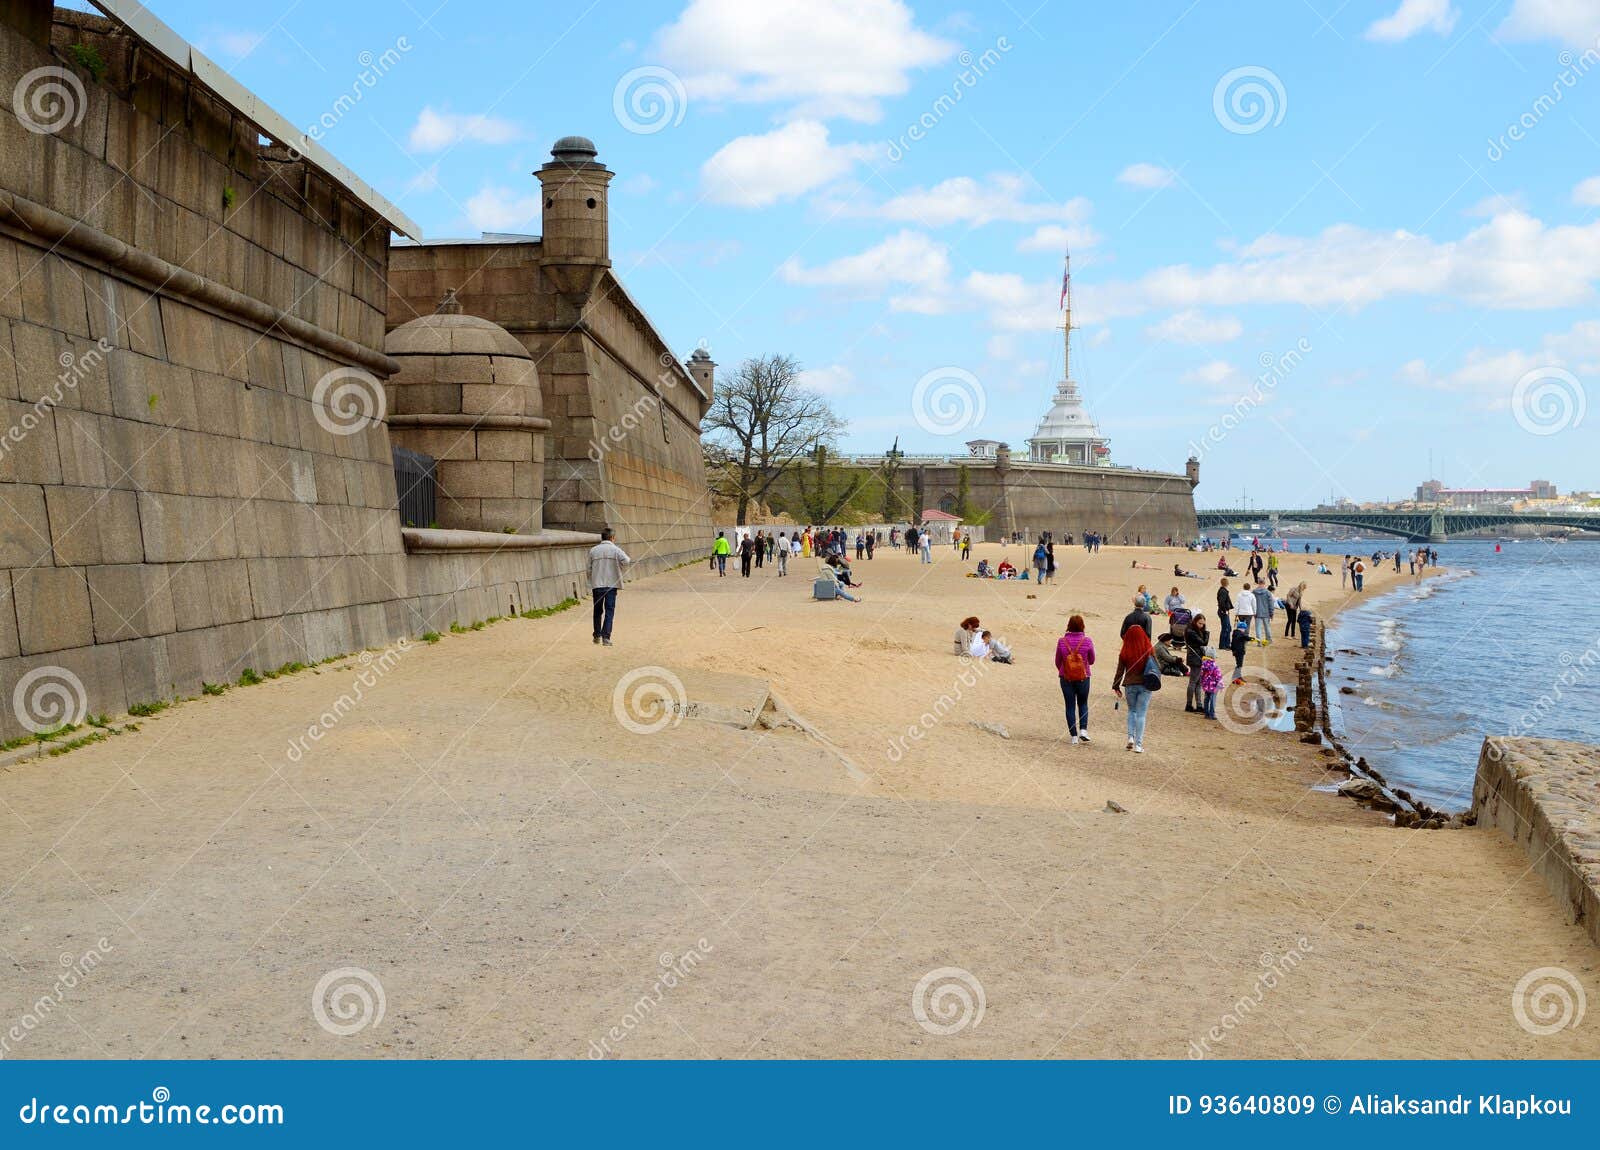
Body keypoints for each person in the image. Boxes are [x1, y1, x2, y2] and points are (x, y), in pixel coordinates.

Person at [1110, 623, 1155, 753]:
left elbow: (1119, 671)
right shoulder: (1149, 649)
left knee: (1132, 711)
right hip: (1145, 684)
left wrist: (1116, 686)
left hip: (1130, 684)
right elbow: (1156, 667)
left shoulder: (1125, 651)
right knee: (1141, 714)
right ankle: (1139, 744)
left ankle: (1130, 737)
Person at [588, 527, 631, 647]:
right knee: (609, 610)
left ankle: (596, 635)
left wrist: (591, 581)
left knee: (597, 611)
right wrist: (619, 567)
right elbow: (627, 561)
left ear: (602, 537)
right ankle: (606, 637)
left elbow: (588, 569)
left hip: (597, 584)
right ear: (612, 538)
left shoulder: (593, 550)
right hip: (611, 584)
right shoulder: (616, 550)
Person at [1055, 615, 1095, 743]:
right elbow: (1092, 660)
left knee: (1070, 706)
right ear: (1082, 626)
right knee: (1083, 703)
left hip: (1066, 678)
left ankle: (1073, 736)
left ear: (1069, 625)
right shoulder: (1087, 641)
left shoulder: (1062, 641)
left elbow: (1057, 661)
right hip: (1084, 677)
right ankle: (1083, 730)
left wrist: (1065, 670)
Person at [1184, 612, 1209, 713]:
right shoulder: (1191, 631)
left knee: (1198, 683)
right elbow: (1204, 643)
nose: (1201, 626)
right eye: (1200, 623)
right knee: (1193, 682)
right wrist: (1206, 633)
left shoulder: (1193, 629)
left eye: (1203, 624)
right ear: (1195, 622)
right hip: (1195, 658)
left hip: (1196, 657)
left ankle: (1199, 704)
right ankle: (1189, 704)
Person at [1200, 648, 1222, 720]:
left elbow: (1201, 675)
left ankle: (1206, 713)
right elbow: (1218, 676)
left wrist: (1202, 682)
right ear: (1213, 657)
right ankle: (1212, 714)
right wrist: (1220, 685)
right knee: (1213, 700)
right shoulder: (1215, 666)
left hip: (1206, 685)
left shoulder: (1203, 665)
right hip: (1214, 686)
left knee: (1206, 699)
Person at [1252, 580, 1273, 644]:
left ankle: (1259, 642)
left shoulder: (1254, 592)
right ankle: (1268, 640)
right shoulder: (1268, 592)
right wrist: (1271, 613)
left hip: (1257, 612)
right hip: (1266, 613)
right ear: (1264, 584)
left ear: (1258, 583)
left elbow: (1252, 603)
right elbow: (1271, 604)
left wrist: (1253, 612)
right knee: (1267, 627)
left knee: (1258, 628)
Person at [1229, 617, 1249, 684]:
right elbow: (1242, 637)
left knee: (1239, 665)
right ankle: (1235, 677)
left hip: (1239, 651)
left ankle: (1238, 677)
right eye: (1244, 629)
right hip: (1239, 652)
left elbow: (1243, 637)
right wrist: (1247, 638)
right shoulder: (1238, 634)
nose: (1244, 630)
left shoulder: (1237, 633)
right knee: (1239, 665)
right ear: (1242, 628)